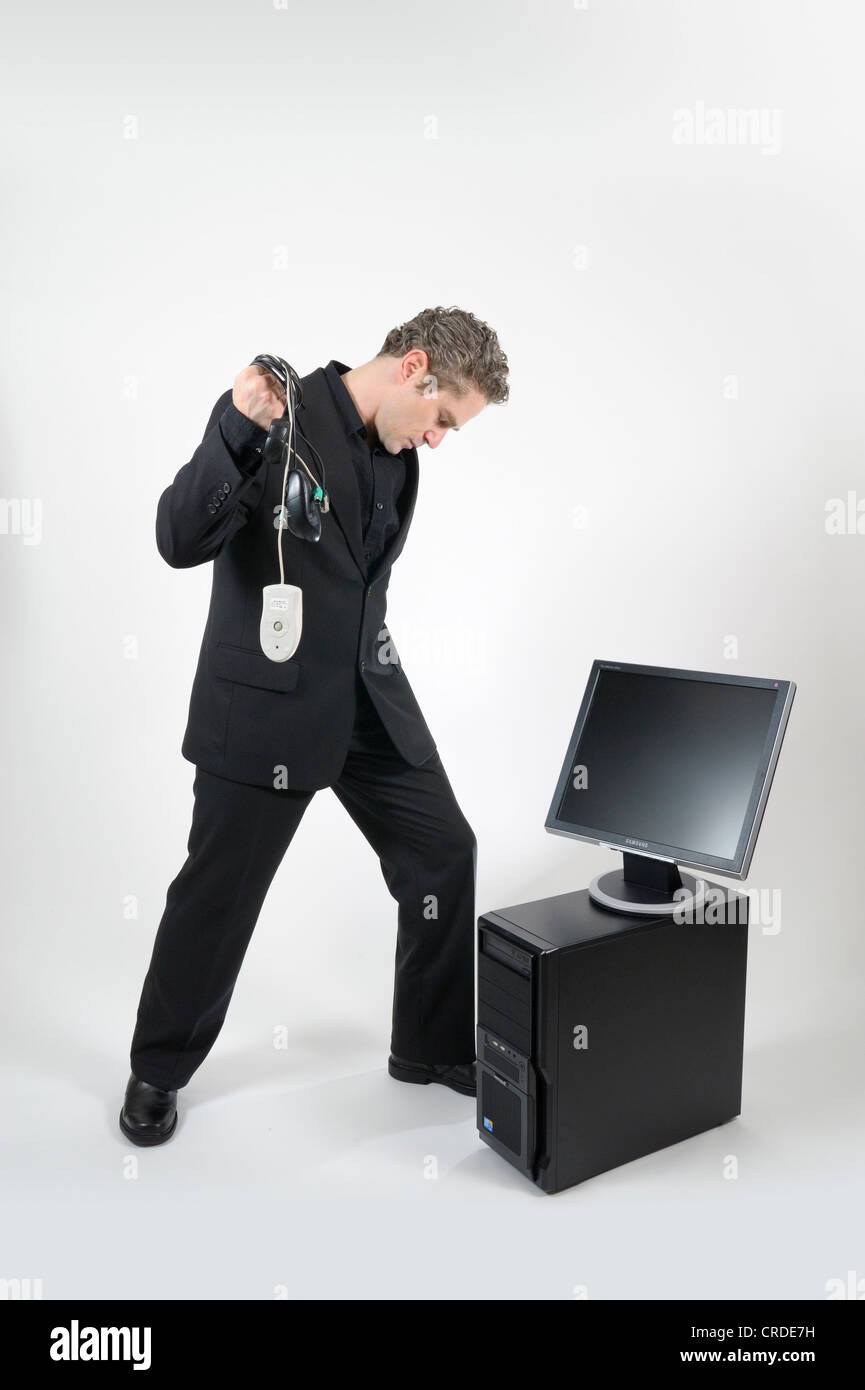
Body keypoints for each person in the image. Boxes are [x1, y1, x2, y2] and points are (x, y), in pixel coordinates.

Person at [119, 305, 510, 1145]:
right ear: (412, 367)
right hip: (263, 710)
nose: (440, 440)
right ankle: (157, 1069)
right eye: (443, 419)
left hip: (368, 699)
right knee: (218, 898)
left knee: (444, 850)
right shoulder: (273, 415)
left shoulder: (401, 462)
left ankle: (430, 1047)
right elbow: (177, 538)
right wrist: (233, 428)